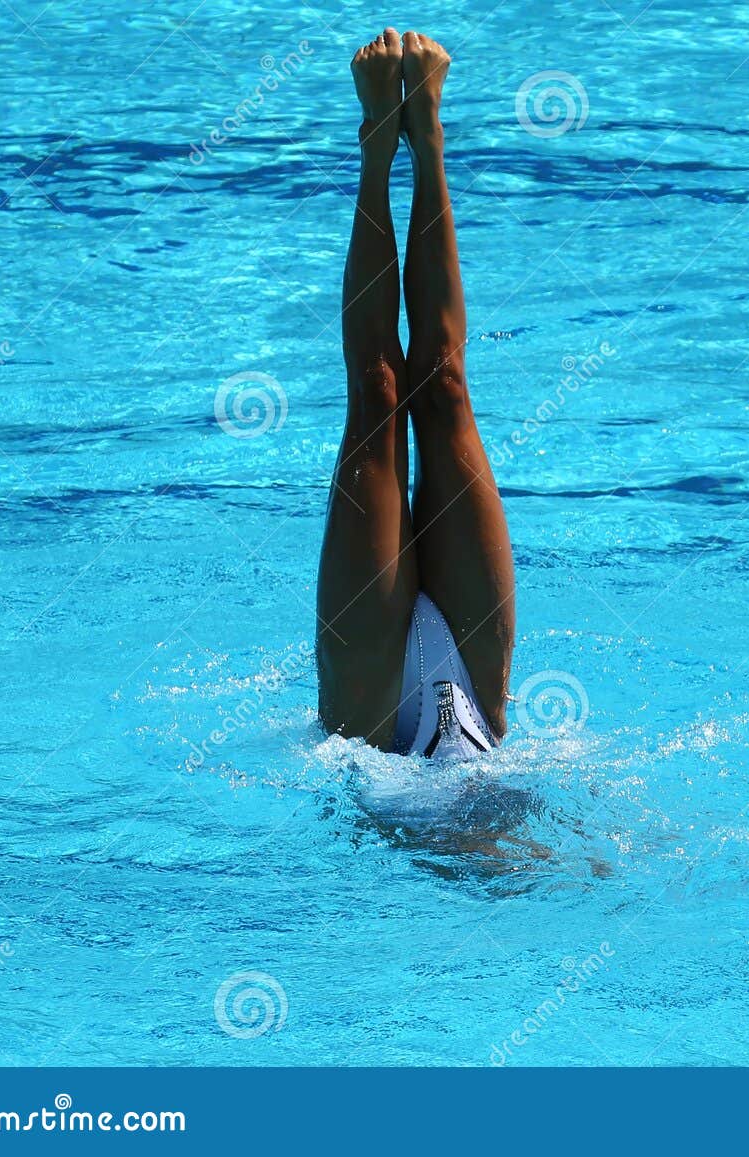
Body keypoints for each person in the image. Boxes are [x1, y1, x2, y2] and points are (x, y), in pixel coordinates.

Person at [316, 29, 514, 759]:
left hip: (369, 731)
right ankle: (426, 142)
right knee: (445, 387)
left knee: (376, 399)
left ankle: (376, 148)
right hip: (479, 710)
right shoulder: (524, 844)